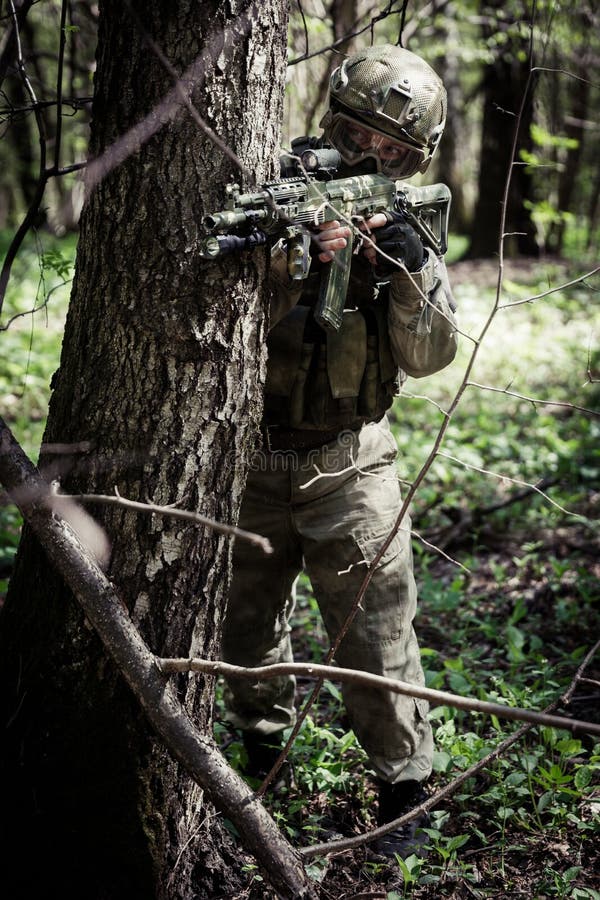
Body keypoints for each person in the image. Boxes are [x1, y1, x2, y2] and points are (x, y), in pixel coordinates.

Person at [221, 44, 458, 859]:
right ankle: (260, 759)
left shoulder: (410, 223)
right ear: (331, 121)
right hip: (249, 460)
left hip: (351, 459)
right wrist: (294, 263)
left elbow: (429, 358)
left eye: (394, 153)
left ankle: (406, 789)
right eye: (359, 136)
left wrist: (408, 266)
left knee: (376, 635)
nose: (371, 158)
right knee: (245, 630)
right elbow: (224, 322)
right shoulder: (276, 189)